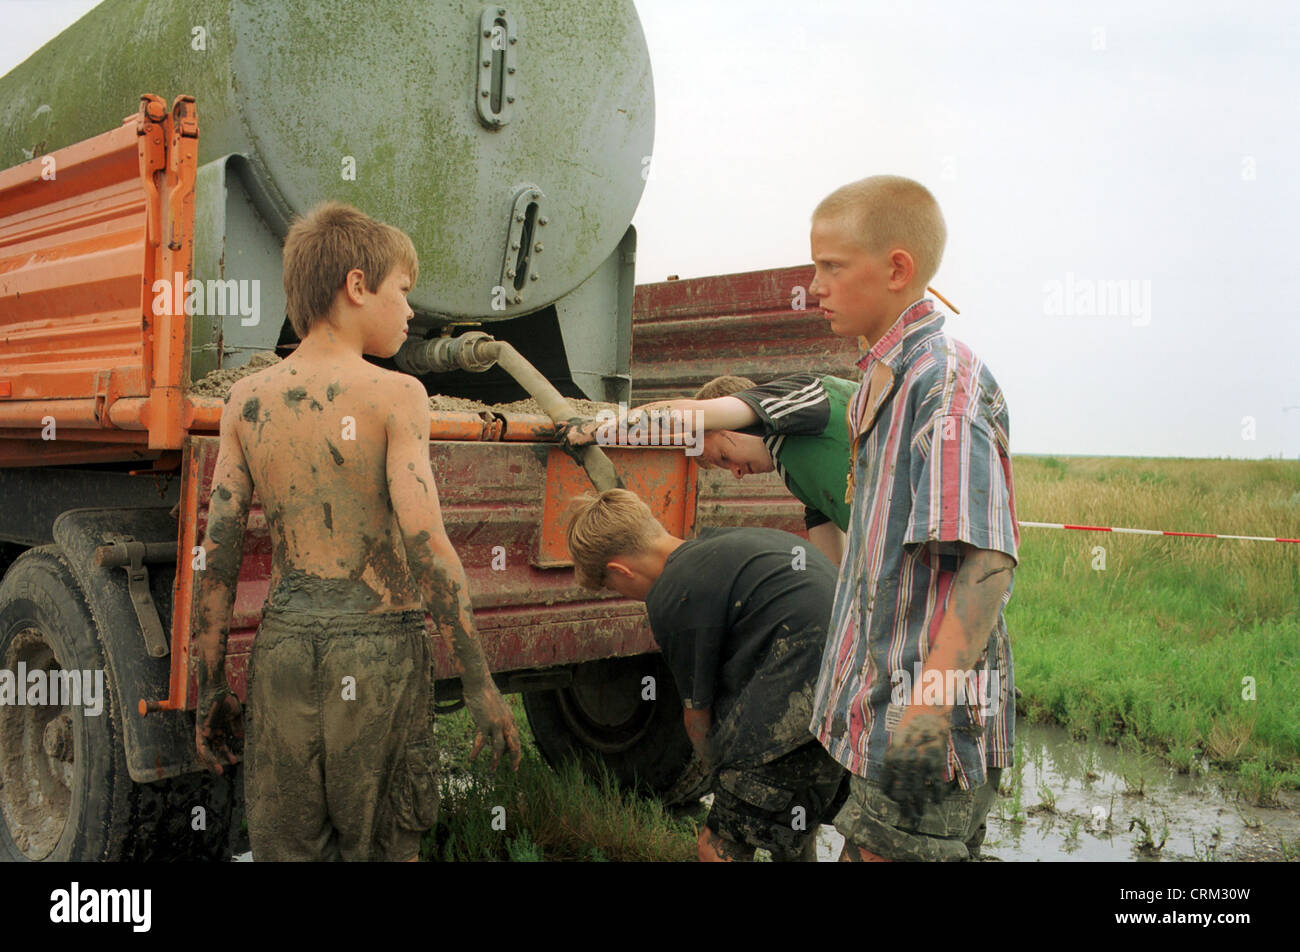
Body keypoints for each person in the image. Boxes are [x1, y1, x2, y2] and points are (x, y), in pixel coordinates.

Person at [191, 201, 521, 861]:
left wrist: (209, 688)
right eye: (403, 291)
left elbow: (218, 559)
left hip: (284, 654)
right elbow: (429, 546)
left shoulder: (245, 402)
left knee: (288, 850)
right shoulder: (396, 396)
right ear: (356, 286)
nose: (409, 312)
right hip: (377, 660)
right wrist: (480, 679)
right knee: (382, 845)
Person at [807, 175, 1018, 862]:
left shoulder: (946, 388)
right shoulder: (879, 382)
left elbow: (986, 563)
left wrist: (928, 711)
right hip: (880, 715)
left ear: (897, 268)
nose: (815, 286)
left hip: (925, 725)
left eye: (832, 267)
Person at [566, 488, 847, 862]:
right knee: (792, 824)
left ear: (620, 570)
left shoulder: (672, 592)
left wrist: (721, 777)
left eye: (609, 585)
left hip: (802, 684)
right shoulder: (724, 545)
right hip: (852, 680)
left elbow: (697, 715)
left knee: (717, 844)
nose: (618, 592)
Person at [561, 373, 856, 565]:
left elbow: (680, 415)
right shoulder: (799, 478)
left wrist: (596, 430)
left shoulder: (806, 396)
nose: (738, 473)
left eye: (725, 458)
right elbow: (830, 571)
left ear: (733, 423)